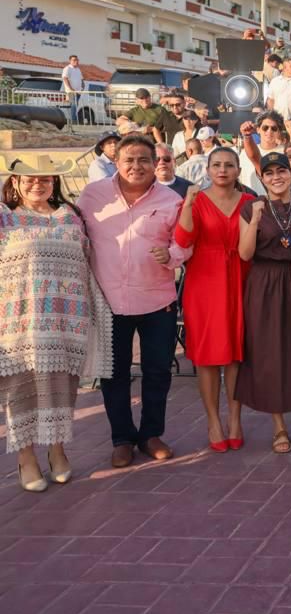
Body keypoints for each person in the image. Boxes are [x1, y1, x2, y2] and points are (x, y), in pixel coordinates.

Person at [0, 157, 112, 491]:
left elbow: (88, 259)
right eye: (30, 179)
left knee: (61, 388)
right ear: (16, 182)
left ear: (54, 183)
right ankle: (26, 458)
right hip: (18, 321)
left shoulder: (70, 216)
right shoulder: (5, 217)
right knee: (20, 389)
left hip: (65, 320)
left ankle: (57, 449)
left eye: (45, 179)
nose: (38, 184)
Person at [80, 133, 189, 468]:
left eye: (144, 159)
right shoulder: (93, 196)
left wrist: (171, 255)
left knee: (158, 370)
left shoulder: (171, 200)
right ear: (116, 162)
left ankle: (151, 435)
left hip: (157, 301)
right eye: (129, 159)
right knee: (114, 374)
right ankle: (122, 439)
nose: (136, 166)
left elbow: (185, 243)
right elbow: (76, 234)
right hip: (108, 301)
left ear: (155, 164)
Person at [235, 152, 291, 454]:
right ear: (262, 178)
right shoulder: (251, 208)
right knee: (270, 353)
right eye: (269, 173)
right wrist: (256, 219)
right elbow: (245, 254)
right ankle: (279, 427)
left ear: (290, 173)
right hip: (265, 283)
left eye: (281, 171)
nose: (276, 178)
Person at [175, 147, 255, 451]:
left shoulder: (249, 202)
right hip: (204, 284)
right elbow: (183, 240)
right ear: (208, 169)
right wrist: (187, 205)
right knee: (208, 357)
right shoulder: (195, 200)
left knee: (236, 355)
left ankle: (235, 419)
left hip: (241, 280)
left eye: (229, 165)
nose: (223, 170)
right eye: (217, 165)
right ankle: (213, 421)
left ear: (238, 170)